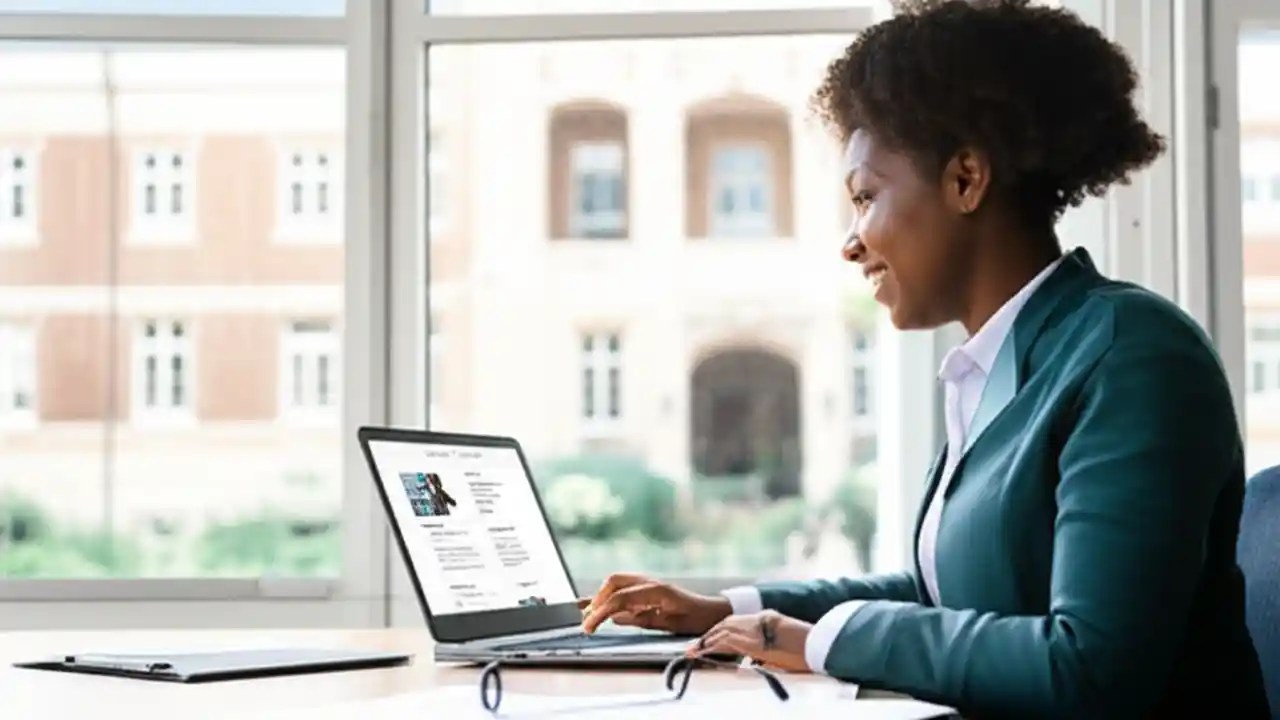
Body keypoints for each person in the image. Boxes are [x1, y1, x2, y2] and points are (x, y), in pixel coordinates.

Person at [577, 1, 1270, 717]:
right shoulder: (1000, 365)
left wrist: (818, 639)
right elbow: (942, 597)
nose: (851, 241)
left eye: (865, 197)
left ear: (966, 179)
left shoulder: (1131, 357)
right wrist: (727, 606)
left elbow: (1090, 668)